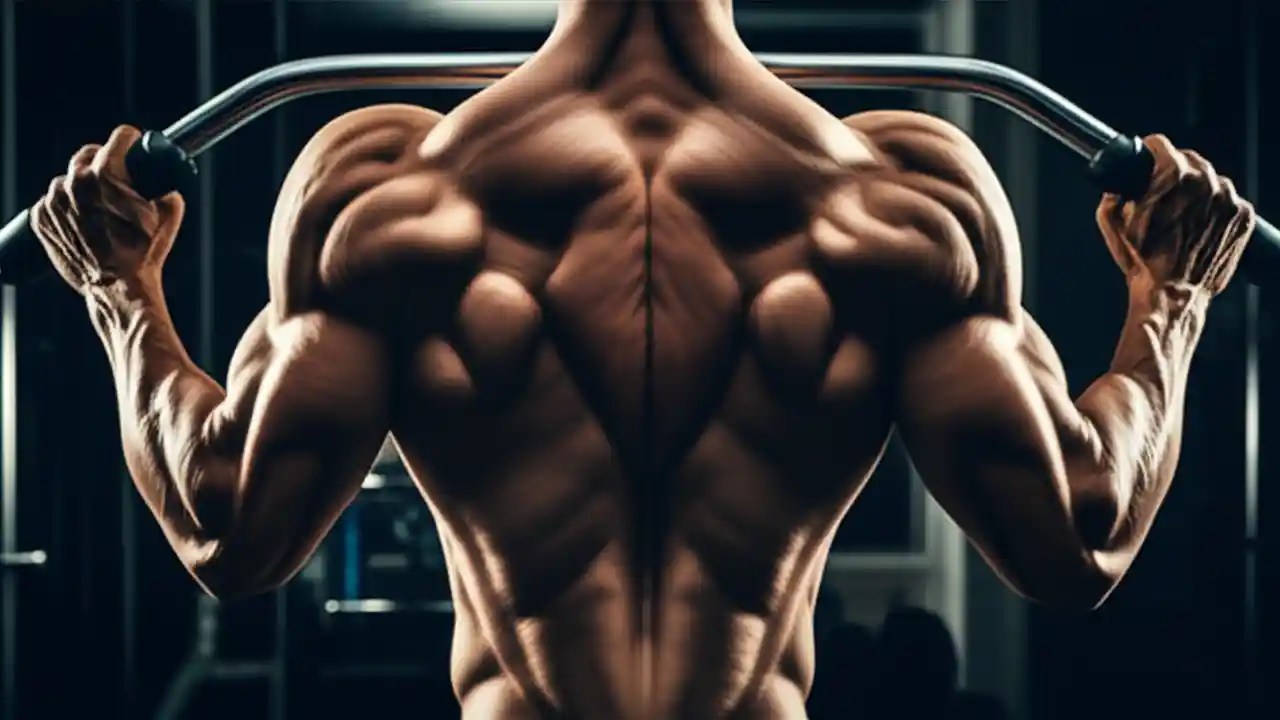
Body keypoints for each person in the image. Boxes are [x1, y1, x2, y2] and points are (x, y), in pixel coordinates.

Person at [28, 0, 1255, 718]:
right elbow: (1080, 532)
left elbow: (227, 526)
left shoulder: (392, 194)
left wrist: (119, 292)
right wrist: (1175, 299)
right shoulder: (896, 202)